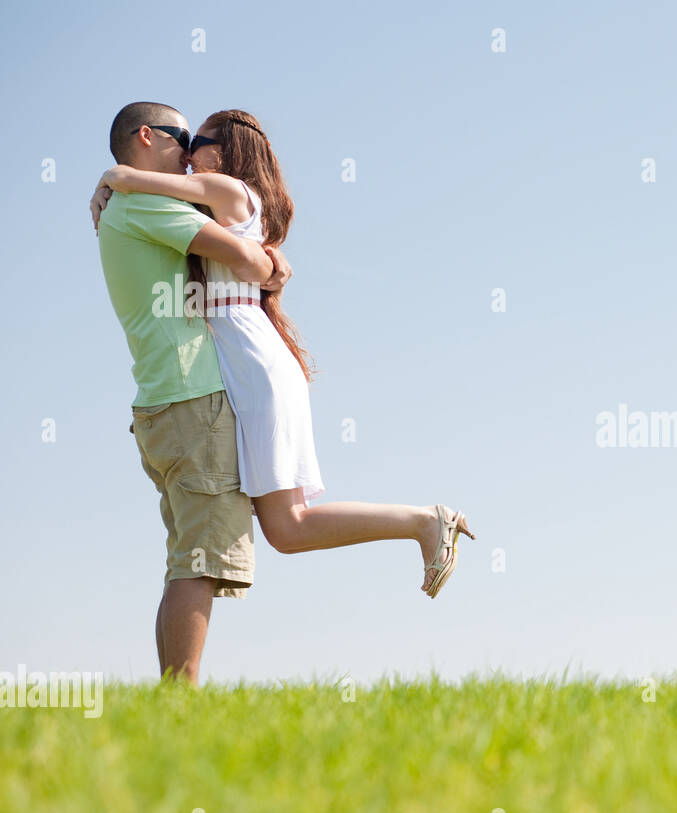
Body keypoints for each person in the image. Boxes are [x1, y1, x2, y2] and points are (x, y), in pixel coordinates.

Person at [93, 102, 474, 686]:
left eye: (199, 139)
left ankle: (177, 703)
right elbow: (252, 257)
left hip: (243, 369)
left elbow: (249, 255)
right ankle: (424, 520)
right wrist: (115, 184)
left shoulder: (196, 192)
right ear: (148, 136)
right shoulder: (156, 203)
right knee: (285, 529)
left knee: (226, 546)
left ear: (226, 152)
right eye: (182, 136)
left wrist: (115, 178)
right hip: (220, 375)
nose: (189, 148)